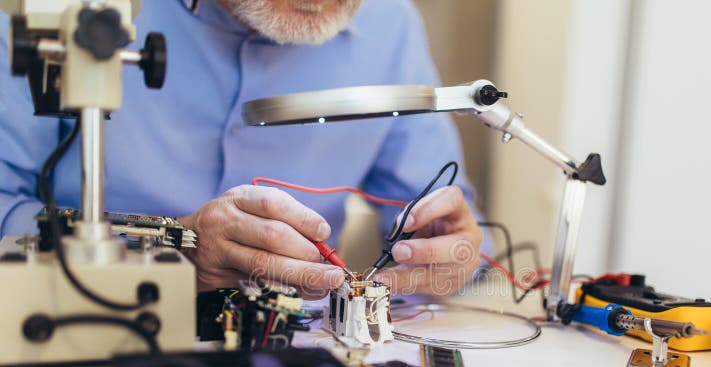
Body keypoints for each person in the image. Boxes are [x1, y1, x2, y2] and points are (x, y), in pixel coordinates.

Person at [0, 0, 484, 296]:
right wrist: (171, 246)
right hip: (86, 337)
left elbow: (455, 233)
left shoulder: (391, 26)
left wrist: (452, 255)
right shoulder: (62, 17)